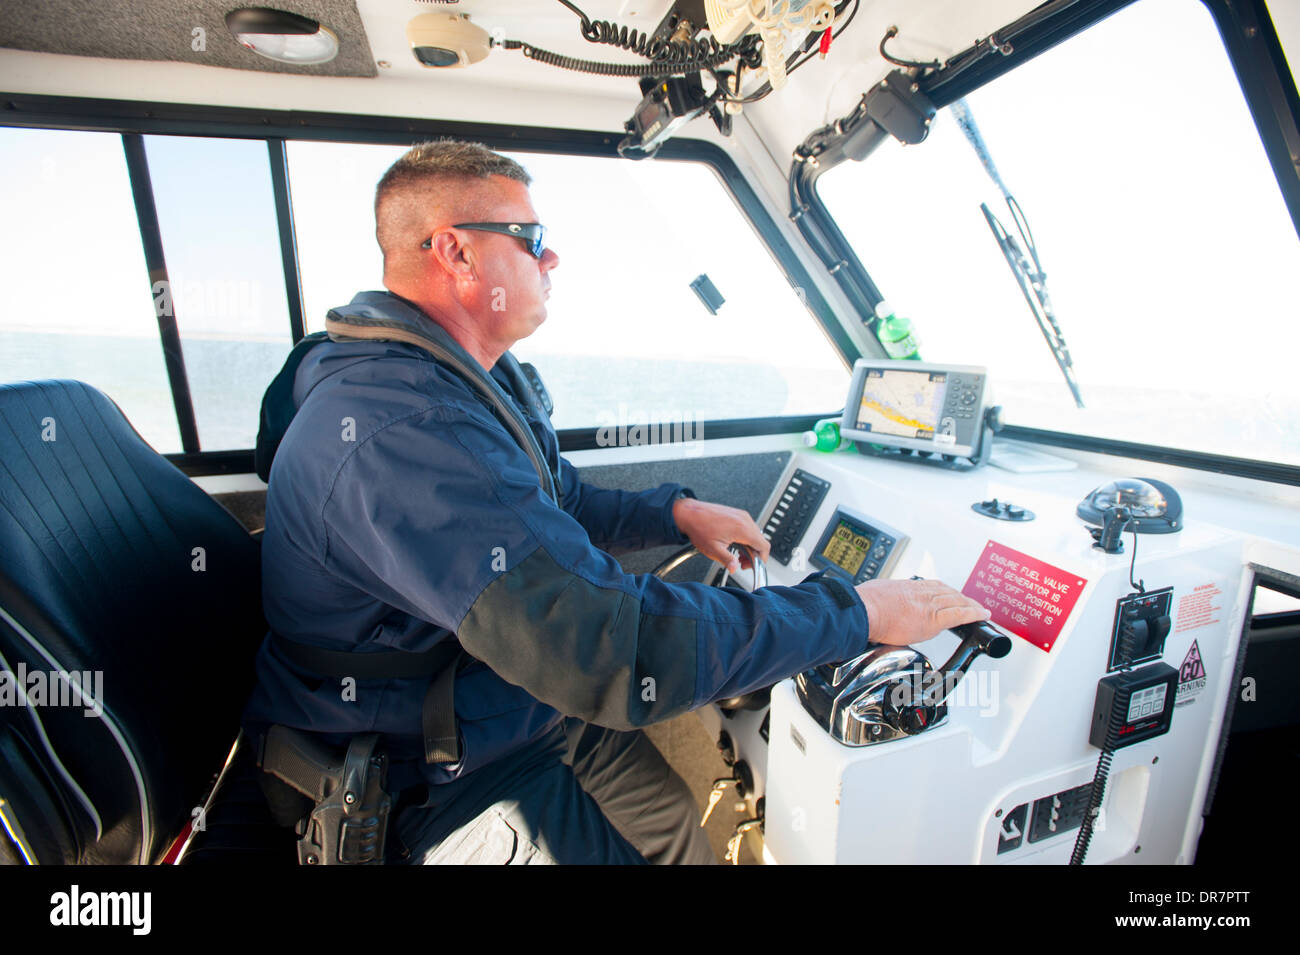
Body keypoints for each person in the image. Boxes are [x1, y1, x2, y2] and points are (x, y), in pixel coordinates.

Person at [241, 140, 990, 865]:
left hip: (503, 694)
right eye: (530, 238)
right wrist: (857, 614)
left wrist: (672, 514)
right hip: (423, 764)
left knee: (674, 826)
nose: (551, 257)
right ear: (457, 252)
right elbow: (608, 651)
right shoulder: (403, 428)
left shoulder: (472, 380)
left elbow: (551, 499)